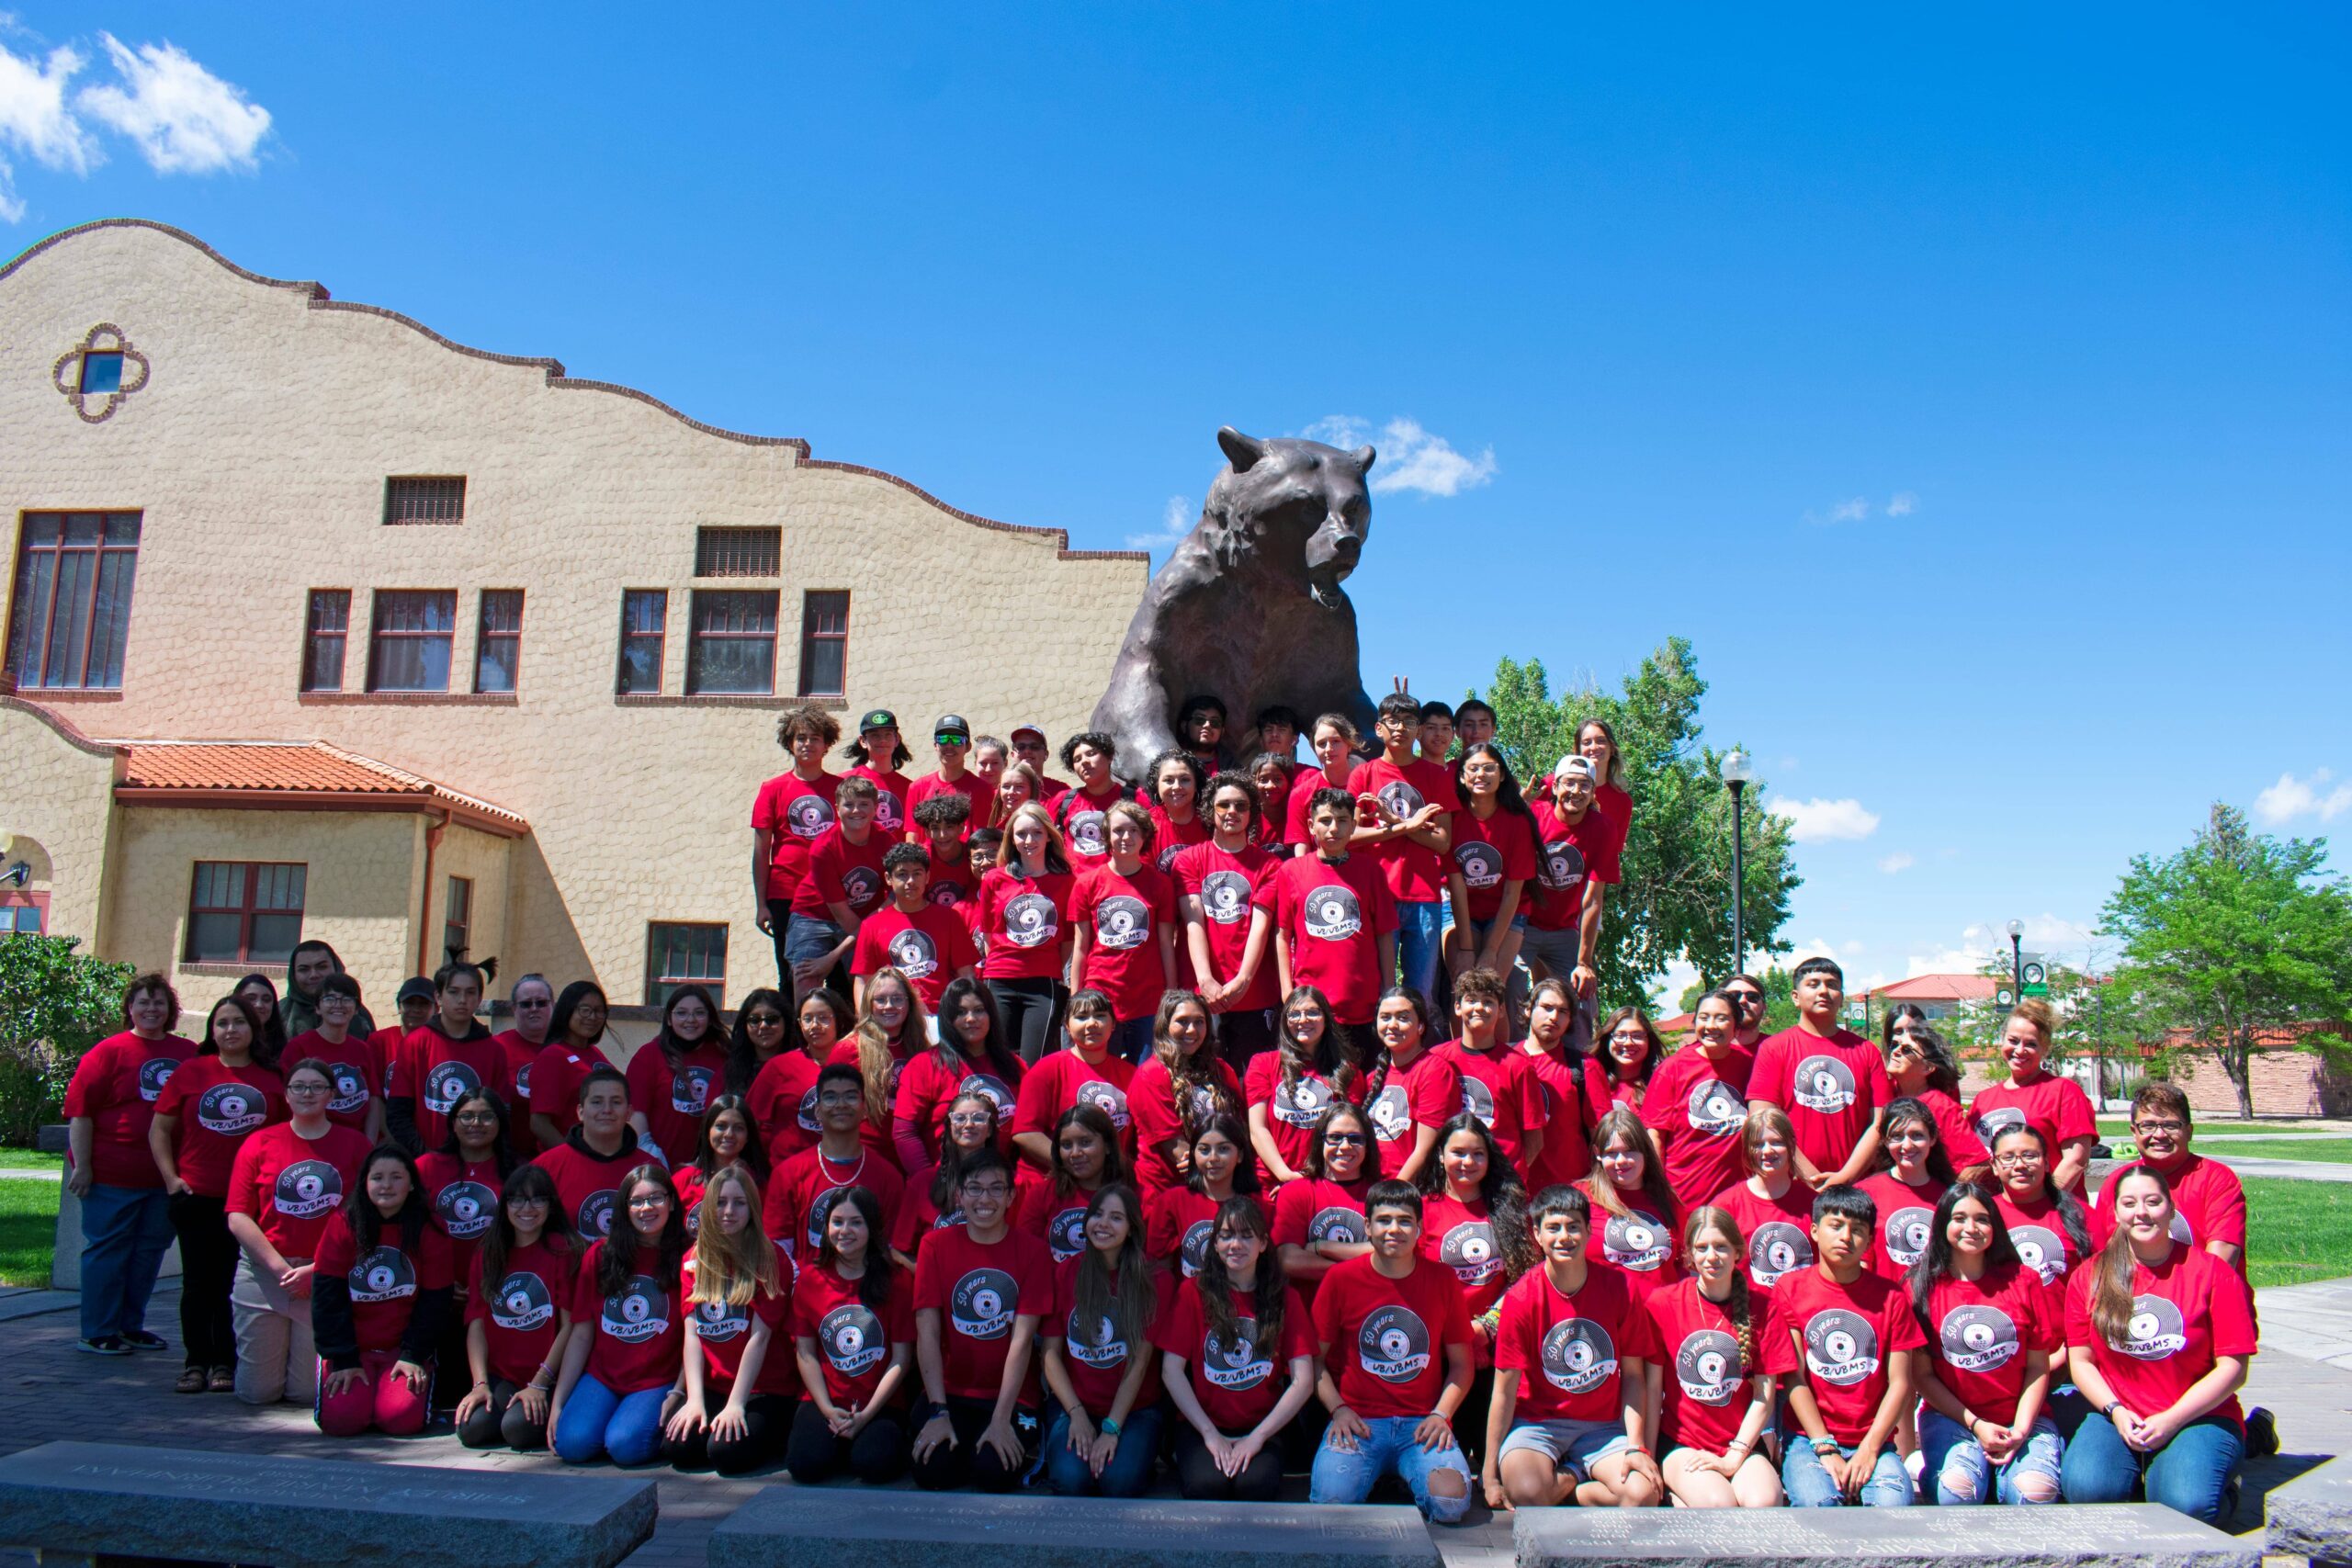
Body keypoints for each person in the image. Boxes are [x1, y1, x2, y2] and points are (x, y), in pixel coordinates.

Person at [2059, 1166, 2255, 1524]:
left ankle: (2221, 1483)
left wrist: (2172, 1419)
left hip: (2198, 1415)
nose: (2141, 1212)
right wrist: (2116, 1411)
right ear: (2115, 1213)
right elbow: (2081, 1362)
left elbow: (2234, 1368)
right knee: (2087, 1490)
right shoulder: (2090, 1276)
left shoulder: (2213, 1273)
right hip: (2121, 1413)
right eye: (2129, 1203)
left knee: (2186, 1507)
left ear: (2171, 1208)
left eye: (2153, 1201)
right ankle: (2138, 1479)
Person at [1485, 1183, 1662, 1509]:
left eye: (1573, 1227)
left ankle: (1572, 1488)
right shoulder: (1522, 1298)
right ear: (1537, 1235)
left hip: (1603, 1427)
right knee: (1526, 1493)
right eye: (1553, 1228)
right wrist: (1489, 1475)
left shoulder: (1621, 1288)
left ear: (1589, 1230)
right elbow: (1504, 1391)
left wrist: (1636, 1447)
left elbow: (1634, 1377)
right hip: (1538, 1423)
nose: (1564, 1237)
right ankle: (1572, 1475)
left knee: (1643, 1493)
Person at [1308, 1179, 1476, 1524]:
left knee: (1450, 1505)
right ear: (1367, 1226)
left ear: (1419, 1228)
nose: (1394, 1229)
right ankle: (1382, 1476)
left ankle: (1406, 1475)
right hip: (1358, 1422)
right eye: (1384, 1220)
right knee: (1331, 1506)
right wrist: (1337, 1409)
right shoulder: (1340, 1279)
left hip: (1420, 1424)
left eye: (1404, 1221)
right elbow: (1314, 1360)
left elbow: (1462, 1365)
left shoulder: (1442, 1280)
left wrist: (1441, 1415)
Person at [152, 993, 283, 1393]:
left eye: (239, 1022)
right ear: (212, 1030)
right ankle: (196, 1362)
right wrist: (172, 1180)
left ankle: (226, 1362)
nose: (231, 1030)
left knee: (234, 1284)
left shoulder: (272, 1078)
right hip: (197, 1195)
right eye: (222, 1023)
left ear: (253, 1029)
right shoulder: (192, 1072)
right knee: (198, 1285)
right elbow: (159, 1129)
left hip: (248, 1204)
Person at [223, 1056, 373, 1405]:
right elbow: (238, 1216)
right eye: (299, 1087)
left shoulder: (355, 1145)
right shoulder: (259, 1143)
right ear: (286, 1095)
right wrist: (282, 1270)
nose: (308, 1093)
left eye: (317, 1087)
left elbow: (366, 1215)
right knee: (258, 1393)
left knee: (307, 1393)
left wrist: (318, 1271)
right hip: (265, 1273)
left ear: (331, 1095)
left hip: (327, 1273)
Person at [63, 973, 196, 1357]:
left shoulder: (187, 1052)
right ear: (130, 1008)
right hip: (112, 1175)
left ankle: (129, 1325)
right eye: (143, 1002)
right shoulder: (108, 1052)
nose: (152, 1009)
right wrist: (82, 1166)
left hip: (164, 1178)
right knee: (108, 1250)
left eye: (160, 1002)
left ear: (170, 1010)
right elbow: (80, 1113)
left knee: (149, 1252)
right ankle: (97, 1330)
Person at [1909, 1182, 2064, 1506]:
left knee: (2034, 1495)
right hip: (1953, 1418)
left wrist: (2020, 1429)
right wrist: (1977, 1425)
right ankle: (1945, 1473)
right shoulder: (1920, 1287)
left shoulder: (2024, 1281)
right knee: (1958, 1494)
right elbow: (1922, 1377)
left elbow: (2038, 1366)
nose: (1971, 1228)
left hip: (2022, 1419)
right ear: (1942, 1224)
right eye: (1960, 1218)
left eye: (1982, 1219)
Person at [910, 1147, 1053, 1492]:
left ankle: (991, 1444)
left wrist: (1001, 1419)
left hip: (1012, 1395)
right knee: (932, 1473)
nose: (984, 1199)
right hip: (952, 1392)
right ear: (959, 1195)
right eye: (974, 1188)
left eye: (995, 1189)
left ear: (1011, 1196)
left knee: (994, 1475)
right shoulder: (934, 1246)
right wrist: (938, 1412)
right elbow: (927, 1332)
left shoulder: (1033, 1251)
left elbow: (1021, 1341)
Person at [1157, 1195, 1317, 1500]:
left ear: (1263, 1244)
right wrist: (1208, 1434)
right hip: (1202, 1424)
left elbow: (1303, 1380)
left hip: (1262, 1427)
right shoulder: (1193, 1293)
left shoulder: (1285, 1298)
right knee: (1207, 1486)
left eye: (1246, 1235)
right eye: (1226, 1235)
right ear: (1215, 1245)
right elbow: (1171, 1370)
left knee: (1253, 1486)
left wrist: (1257, 1438)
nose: (1236, 1245)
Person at [1771, 1185, 1922, 1506]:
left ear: (1869, 1241)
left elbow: (1900, 1383)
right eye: (1836, 1226)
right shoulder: (1789, 1289)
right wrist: (1825, 1447)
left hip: (1875, 1442)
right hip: (1808, 1441)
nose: (1846, 1237)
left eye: (1857, 1230)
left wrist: (1869, 1450)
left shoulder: (1892, 1297)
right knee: (1821, 1506)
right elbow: (1794, 1378)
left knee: (1893, 1508)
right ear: (1814, 1230)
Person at [1414, 1113, 1539, 1464]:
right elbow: (1410, 1278)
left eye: (1478, 1154)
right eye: (1458, 1152)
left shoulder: (1509, 1208)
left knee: (1494, 1457)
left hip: (1496, 1348)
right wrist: (1452, 1333)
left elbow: (1525, 1280)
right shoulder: (1422, 1209)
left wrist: (1487, 1326)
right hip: (1437, 1350)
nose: (1468, 1162)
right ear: (1440, 1154)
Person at [550, 1164, 689, 1465]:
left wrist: (679, 1391)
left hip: (657, 1379)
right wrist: (558, 1402)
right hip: (603, 1377)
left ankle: (627, 1428)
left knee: (626, 1447)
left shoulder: (688, 1255)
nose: (646, 1208)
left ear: (672, 1202)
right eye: (637, 1201)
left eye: (656, 1198)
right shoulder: (600, 1254)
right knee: (571, 1444)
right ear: (624, 1208)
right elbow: (582, 1332)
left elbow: (694, 1336)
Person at [1645, 1206, 1782, 1508]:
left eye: (1721, 1247)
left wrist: (1735, 1456)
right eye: (1702, 1248)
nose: (1712, 1256)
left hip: (1740, 1442)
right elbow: (1653, 1390)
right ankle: (1675, 1496)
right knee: (1719, 1505)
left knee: (1765, 1502)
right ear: (1689, 1256)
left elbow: (1764, 1395)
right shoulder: (1663, 1303)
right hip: (1683, 1442)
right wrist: (1649, 1457)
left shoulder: (1765, 1307)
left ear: (1737, 1252)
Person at [311, 1145, 454, 1436]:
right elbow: (327, 1296)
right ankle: (360, 1393)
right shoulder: (343, 1223)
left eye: (396, 1177)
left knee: (401, 1420)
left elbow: (436, 1300)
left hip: (401, 1348)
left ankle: (385, 1396)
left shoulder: (430, 1227)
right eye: (377, 1177)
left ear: (412, 1183)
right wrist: (343, 1358)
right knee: (342, 1422)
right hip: (353, 1348)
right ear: (365, 1183)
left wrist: (413, 1354)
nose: (386, 1185)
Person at [1040, 1183, 1171, 1495]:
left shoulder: (1156, 1281)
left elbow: (1139, 1364)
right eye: (1097, 1215)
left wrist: (1111, 1428)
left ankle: (1142, 1463)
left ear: (1131, 1228)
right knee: (1072, 1482)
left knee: (1118, 1483)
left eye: (1116, 1218)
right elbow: (1050, 1356)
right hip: (1075, 1404)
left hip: (1136, 1410)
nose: (1103, 1224)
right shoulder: (1065, 1273)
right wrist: (1077, 1414)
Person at [665, 1165, 796, 1473]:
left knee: (726, 1455)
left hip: (763, 1389)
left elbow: (759, 1338)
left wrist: (737, 1404)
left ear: (752, 1207)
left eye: (739, 1202)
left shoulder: (772, 1258)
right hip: (715, 1387)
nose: (729, 1211)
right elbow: (693, 1336)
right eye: (721, 1202)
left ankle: (774, 1431)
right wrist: (694, 1399)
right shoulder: (693, 1260)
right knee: (680, 1449)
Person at [786, 1183, 914, 1483]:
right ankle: (838, 1441)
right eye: (837, 1222)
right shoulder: (810, 1278)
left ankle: (860, 1443)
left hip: (879, 1404)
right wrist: (828, 1409)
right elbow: (805, 1352)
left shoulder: (896, 1280)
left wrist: (867, 1415)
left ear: (872, 1227)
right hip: (826, 1399)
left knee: (874, 1465)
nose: (845, 1230)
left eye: (856, 1222)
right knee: (805, 1466)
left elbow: (902, 1358)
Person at [455, 1162, 578, 1451]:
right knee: (472, 1429)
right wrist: (480, 1384)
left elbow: (570, 1325)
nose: (527, 1207)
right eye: (517, 1199)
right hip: (502, 1375)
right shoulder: (489, 1252)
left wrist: (539, 1383)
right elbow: (475, 1322)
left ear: (550, 1205)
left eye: (537, 1199)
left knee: (517, 1430)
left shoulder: (564, 1249)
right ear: (505, 1204)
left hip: (548, 1374)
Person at [1347, 692, 1460, 1005]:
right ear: (1379, 727)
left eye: (1409, 722)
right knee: (1376, 991)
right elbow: (1351, 837)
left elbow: (1443, 841)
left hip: (1424, 898)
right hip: (1376, 894)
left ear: (1418, 730)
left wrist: (1392, 825)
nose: (1400, 728)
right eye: (1393, 721)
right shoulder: (1363, 774)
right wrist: (1408, 826)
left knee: (1420, 994)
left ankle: (1417, 1054)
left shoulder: (1437, 776)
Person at [1260, 787, 1400, 1033]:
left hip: (1363, 1003)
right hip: (1310, 1004)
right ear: (1312, 826)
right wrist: (1286, 992)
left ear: (1353, 825)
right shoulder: (1291, 871)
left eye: (1342, 820)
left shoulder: (1371, 871)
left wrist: (1388, 991)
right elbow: (1282, 936)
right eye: (1325, 821)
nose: (1334, 828)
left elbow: (1385, 935)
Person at [1749, 958, 1890, 1190]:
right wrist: (1810, 1176)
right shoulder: (1774, 1048)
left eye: (1832, 985)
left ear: (1842, 998)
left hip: (1854, 1187)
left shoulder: (1866, 1051)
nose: (1824, 991)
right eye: (1813, 984)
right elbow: (1762, 1119)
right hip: (1789, 1185)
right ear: (1795, 996)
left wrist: (1845, 1177)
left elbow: (1880, 1123)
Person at [1176, 772, 1281, 1065]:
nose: (1232, 811)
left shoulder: (1269, 865)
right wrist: (1205, 979)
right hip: (1201, 994)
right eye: (1224, 805)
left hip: (1255, 995)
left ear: (1252, 813)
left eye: (1241, 805)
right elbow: (1192, 920)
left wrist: (1244, 980)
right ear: (1210, 810)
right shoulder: (1188, 860)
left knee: (1252, 1086)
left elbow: (1260, 927)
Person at [418, 1085, 518, 1382]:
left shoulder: (518, 1171)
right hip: (438, 1293)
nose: (476, 1124)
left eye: (487, 1116)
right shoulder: (425, 1168)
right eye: (467, 1116)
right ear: (452, 1122)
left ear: (501, 1123)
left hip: (497, 1292)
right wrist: (440, 1282)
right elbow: (410, 1232)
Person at [1070, 800, 1181, 1063]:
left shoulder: (1160, 884)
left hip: (1148, 1000)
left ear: (1144, 836)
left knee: (1146, 1076)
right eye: (1119, 830)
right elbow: (1080, 947)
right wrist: (1076, 999)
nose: (1126, 837)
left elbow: (1167, 944)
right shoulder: (1087, 884)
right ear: (1107, 836)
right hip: (1100, 999)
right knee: (1101, 1077)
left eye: (1133, 830)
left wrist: (1171, 995)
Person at [2094, 1083, 2246, 1269]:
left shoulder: (2216, 1179)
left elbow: (2221, 1259)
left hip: (2203, 1294)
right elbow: (2104, 1256)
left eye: (2171, 1125)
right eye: (2148, 1126)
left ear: (2189, 1132)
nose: (2159, 1134)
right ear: (2134, 1132)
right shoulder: (2118, 1182)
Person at [1520, 757, 1620, 1034]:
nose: (1575, 791)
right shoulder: (1534, 815)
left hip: (1564, 929)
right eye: (1569, 783)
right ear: (1555, 787)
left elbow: (1593, 899)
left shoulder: (1602, 828)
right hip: (1523, 924)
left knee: (1581, 996)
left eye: (1584, 785)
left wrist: (1584, 962)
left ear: (1593, 793)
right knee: (1510, 988)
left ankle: (1581, 1068)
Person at [893, 976, 1023, 1186]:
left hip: (1000, 1188)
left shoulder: (1015, 1067)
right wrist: (930, 1182)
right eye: (961, 1012)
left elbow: (1026, 1133)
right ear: (948, 1019)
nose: (971, 1019)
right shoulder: (924, 1065)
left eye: (979, 1010)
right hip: (944, 1185)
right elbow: (905, 1132)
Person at [768, 1064, 907, 1259]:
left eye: (850, 1096)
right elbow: (778, 1250)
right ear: (817, 1110)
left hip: (869, 1286)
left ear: (864, 1109)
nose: (841, 1104)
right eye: (830, 1097)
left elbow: (891, 1248)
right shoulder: (787, 1174)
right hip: (806, 1287)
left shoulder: (889, 1177)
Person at [974, 801, 1077, 1065]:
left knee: (1036, 1062)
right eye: (1021, 834)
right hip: (999, 979)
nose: (1029, 840)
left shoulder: (1066, 881)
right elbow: (988, 934)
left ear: (1048, 836)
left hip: (1044, 982)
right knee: (1000, 1062)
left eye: (1036, 833)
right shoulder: (994, 879)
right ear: (1011, 839)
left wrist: (1048, 963)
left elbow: (1067, 939)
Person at [752, 705, 847, 988]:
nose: (808, 744)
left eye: (815, 738)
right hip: (786, 895)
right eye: (801, 738)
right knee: (792, 977)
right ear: (790, 744)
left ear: (827, 744)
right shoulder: (772, 788)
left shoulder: (842, 788)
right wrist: (761, 904)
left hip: (834, 896)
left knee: (841, 980)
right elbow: (761, 850)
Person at [1971, 1000, 2097, 1199]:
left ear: (2044, 1049)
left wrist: (2045, 1203)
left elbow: (2075, 1161)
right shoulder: (1983, 1100)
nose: (2020, 1050)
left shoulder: (2064, 1092)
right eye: (2013, 1040)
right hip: (1999, 1216)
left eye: (2031, 1044)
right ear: (2001, 1041)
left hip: (2054, 1213)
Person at [1644, 988, 1754, 1213]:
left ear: (1736, 1026)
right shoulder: (1673, 1068)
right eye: (1704, 1018)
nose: (1711, 1025)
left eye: (1721, 1018)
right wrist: (1658, 1189)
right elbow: (1655, 1134)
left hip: (1736, 1196)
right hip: (1682, 1194)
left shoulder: (1749, 1066)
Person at [1246, 986, 1367, 1186]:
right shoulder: (1263, 1064)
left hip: (1328, 1183)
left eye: (1312, 1012)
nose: (1303, 1020)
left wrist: (1319, 1182)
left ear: (1326, 1019)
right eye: (1294, 1014)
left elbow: (1349, 1135)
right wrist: (1285, 1176)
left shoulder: (1347, 1071)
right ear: (1284, 1021)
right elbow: (1258, 1129)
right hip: (1272, 1183)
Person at [1126, 990, 1243, 1197]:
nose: (1192, 1030)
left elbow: (1240, 1128)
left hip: (1221, 1185)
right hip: (1167, 1194)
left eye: (1199, 1021)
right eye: (1182, 1021)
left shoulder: (1222, 1070)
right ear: (1165, 1026)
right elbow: (1177, 1149)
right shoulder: (1150, 1075)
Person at [388, 961, 508, 1156]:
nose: (462, 1000)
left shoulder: (494, 1050)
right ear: (438, 997)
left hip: (476, 1161)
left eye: (470, 992)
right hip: (424, 1161)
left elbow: (501, 1115)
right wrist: (425, 1157)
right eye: (453, 991)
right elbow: (398, 1113)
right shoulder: (415, 1044)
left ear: (479, 998)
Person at [1011, 987, 1134, 1173]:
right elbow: (1025, 1132)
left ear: (1113, 1024)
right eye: (1082, 1017)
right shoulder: (1046, 1070)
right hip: (1057, 1180)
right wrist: (1070, 1164)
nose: (1091, 1024)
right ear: (1067, 1026)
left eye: (1100, 1016)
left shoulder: (1131, 1074)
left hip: (1112, 1182)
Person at [1439, 968, 1544, 1184]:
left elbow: (1534, 1139)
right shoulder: (1437, 1060)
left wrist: (1510, 1178)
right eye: (1471, 1000)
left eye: (1488, 1001)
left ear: (1502, 1010)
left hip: (1502, 1183)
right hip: (1449, 1181)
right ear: (1458, 1007)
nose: (1479, 1007)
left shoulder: (1519, 1065)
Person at [1443, 743, 1538, 982]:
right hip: (1462, 910)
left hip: (1506, 911)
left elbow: (1512, 893)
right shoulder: (1452, 818)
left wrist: (1491, 950)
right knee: (1463, 986)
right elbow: (1457, 888)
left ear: (1502, 775)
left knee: (1489, 985)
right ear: (1462, 777)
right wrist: (1466, 949)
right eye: (1473, 769)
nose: (1480, 775)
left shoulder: (1518, 821)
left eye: (1489, 768)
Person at [789, 774, 890, 998]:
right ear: (836, 809)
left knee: (871, 975)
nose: (856, 811)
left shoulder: (886, 842)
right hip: (814, 916)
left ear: (876, 808)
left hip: (863, 917)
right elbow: (842, 914)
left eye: (864, 804)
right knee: (807, 976)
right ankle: (804, 1028)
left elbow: (893, 897)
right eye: (849, 804)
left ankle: (866, 1029)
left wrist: (832, 958)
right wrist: (828, 960)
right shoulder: (823, 848)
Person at [854, 844, 980, 1021]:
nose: (910, 881)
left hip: (940, 1016)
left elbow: (966, 974)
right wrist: (865, 1022)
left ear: (927, 876)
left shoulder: (950, 918)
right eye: (902, 874)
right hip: (891, 1017)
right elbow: (862, 981)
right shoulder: (871, 926)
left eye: (917, 873)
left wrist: (965, 1014)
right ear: (888, 879)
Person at [1273, 1103, 1379, 1302]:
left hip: (1368, 1311)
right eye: (1335, 1137)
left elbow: (1386, 1251)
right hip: (1308, 1314)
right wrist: (1352, 1272)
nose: (1345, 1146)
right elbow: (1287, 1259)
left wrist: (1319, 1247)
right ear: (1320, 1141)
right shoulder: (1295, 1192)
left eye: (1355, 1139)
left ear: (1368, 1145)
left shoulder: (1381, 1194)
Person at [532, 1065, 648, 1241]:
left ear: (629, 1112)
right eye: (596, 1102)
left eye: (616, 1102)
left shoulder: (649, 1168)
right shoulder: (544, 1169)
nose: (607, 1110)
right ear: (580, 1111)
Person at [892, 1090, 1002, 1269]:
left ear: (990, 1129)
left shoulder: (1009, 1184)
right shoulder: (922, 1183)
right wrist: (934, 1277)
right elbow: (899, 1251)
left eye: (979, 1118)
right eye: (960, 1118)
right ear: (949, 1127)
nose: (969, 1124)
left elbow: (1019, 1245)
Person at [1582, 1105, 1682, 1301]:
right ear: (1597, 1153)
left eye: (1630, 1151)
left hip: (1659, 1319)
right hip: (1608, 1320)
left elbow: (1682, 1266)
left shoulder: (1668, 1201)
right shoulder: (1581, 1201)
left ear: (1646, 1150)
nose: (1621, 1161)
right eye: (1611, 1153)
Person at [1146, 1112, 1263, 1279]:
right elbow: (1159, 1270)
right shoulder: (1171, 1202)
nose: (1213, 1158)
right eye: (1204, 1150)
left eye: (1223, 1149)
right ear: (1193, 1154)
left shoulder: (1257, 1206)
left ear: (1240, 1155)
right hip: (1189, 1302)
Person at [1712, 1105, 1817, 1289]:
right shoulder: (1725, 1206)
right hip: (1748, 1311)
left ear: (1792, 1145)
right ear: (1747, 1150)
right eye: (1758, 1145)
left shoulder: (1814, 1203)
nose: (1767, 1151)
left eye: (1776, 1142)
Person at [624, 985, 728, 1168]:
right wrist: (651, 1155)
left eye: (699, 1013)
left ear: (710, 1018)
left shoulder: (725, 1055)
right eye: (681, 1013)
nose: (690, 1020)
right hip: (661, 1165)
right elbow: (635, 1113)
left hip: (711, 1168)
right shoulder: (648, 1056)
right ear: (669, 1019)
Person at [1858, 1096, 1959, 1283]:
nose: (1907, 1145)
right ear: (1885, 1141)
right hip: (1887, 1305)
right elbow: (1859, 1262)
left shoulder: (1951, 1195)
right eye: (1897, 1136)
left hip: (1936, 1304)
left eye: (1917, 1135)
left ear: (1933, 1138)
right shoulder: (1865, 1193)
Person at [1365, 987, 1460, 1182]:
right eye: (1385, 1017)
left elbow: (1426, 1149)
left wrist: (1396, 1190)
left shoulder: (1434, 1071)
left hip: (1410, 1190)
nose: (1392, 1025)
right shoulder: (1372, 1078)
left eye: (1403, 1017)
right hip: (1375, 1187)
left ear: (1421, 1026)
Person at [1988, 1123, 2097, 1290]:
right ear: (1994, 1165)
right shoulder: (1982, 1215)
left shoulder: (2081, 1215)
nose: (2019, 1165)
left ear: (2046, 1163)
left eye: (2029, 1155)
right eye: (2008, 1157)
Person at [1018, 1103, 1130, 1261]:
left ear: (1107, 1146)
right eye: (1066, 1145)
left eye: (1085, 1142)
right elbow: (1025, 1256)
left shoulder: (1132, 1194)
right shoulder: (1041, 1195)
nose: (1075, 1153)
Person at [1883, 1008, 1990, 1175]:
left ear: (1927, 1067)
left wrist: (1948, 1197)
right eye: (1895, 1045)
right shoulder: (1887, 1092)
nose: (1896, 1051)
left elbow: (1979, 1163)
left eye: (1906, 1050)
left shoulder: (1939, 1105)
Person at [281, 974, 384, 1144]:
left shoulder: (363, 1049)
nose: (338, 1005)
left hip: (355, 1145)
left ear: (357, 1008)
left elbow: (373, 1101)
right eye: (330, 998)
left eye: (346, 999)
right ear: (318, 1007)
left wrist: (368, 1145)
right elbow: (288, 1103)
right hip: (314, 1143)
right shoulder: (299, 1048)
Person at [842, 968, 927, 1171]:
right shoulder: (848, 1049)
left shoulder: (921, 1045)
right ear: (869, 1004)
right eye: (880, 1000)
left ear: (909, 1003)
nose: (889, 1006)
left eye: (897, 999)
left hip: (912, 1154)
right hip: (866, 1160)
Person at [1517, 977, 1597, 1191]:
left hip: (1571, 1194)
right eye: (1547, 1007)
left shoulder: (1585, 1067)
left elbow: (1601, 1137)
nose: (1554, 1017)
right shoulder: (1503, 1062)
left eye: (1563, 1011)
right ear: (1528, 1010)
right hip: (1515, 1194)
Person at [529, 980, 616, 1150]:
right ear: (567, 1010)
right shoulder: (554, 1056)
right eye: (585, 1010)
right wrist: (571, 1159)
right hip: (570, 1162)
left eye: (599, 1011)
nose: (592, 1017)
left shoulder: (594, 1053)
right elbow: (539, 1123)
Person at [743, 987, 824, 1166]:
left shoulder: (802, 1062)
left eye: (772, 1019)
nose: (763, 1026)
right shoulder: (729, 1070)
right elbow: (743, 1125)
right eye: (754, 1020)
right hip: (765, 1167)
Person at [673, 1094, 769, 1237]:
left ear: (748, 1136)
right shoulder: (683, 1180)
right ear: (708, 1131)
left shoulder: (758, 1184)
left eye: (738, 1128)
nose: (729, 1134)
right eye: (721, 1126)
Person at [491, 974, 554, 1159]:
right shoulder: (497, 1048)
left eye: (541, 1003)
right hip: (507, 1156)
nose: (534, 1009)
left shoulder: (568, 1049)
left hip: (556, 1154)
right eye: (526, 1004)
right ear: (514, 1009)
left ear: (553, 1005)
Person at [1053, 730, 1127, 869]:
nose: (1084, 762)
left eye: (1091, 754)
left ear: (1109, 757)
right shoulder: (1063, 801)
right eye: (1077, 759)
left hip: (1122, 885)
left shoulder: (1133, 798)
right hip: (1077, 886)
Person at [908, 713, 991, 833]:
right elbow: (912, 835)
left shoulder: (983, 790)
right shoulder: (917, 788)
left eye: (957, 740)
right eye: (943, 739)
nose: (949, 745)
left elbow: (981, 839)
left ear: (968, 746)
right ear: (935, 745)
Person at [282, 940, 376, 1040]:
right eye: (304, 969)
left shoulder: (358, 1014)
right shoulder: (280, 1013)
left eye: (322, 967)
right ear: (293, 974)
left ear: (336, 968)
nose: (314, 975)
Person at [844, 708, 915, 838]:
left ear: (897, 739)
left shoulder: (910, 788)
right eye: (875, 735)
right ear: (863, 741)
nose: (882, 740)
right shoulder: (844, 782)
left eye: (888, 734)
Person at [1585, 1008, 1665, 1121]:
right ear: (1607, 1039)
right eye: (1620, 1035)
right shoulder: (1590, 1081)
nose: (1628, 1042)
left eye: (1637, 1036)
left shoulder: (1661, 1083)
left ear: (1649, 1041)